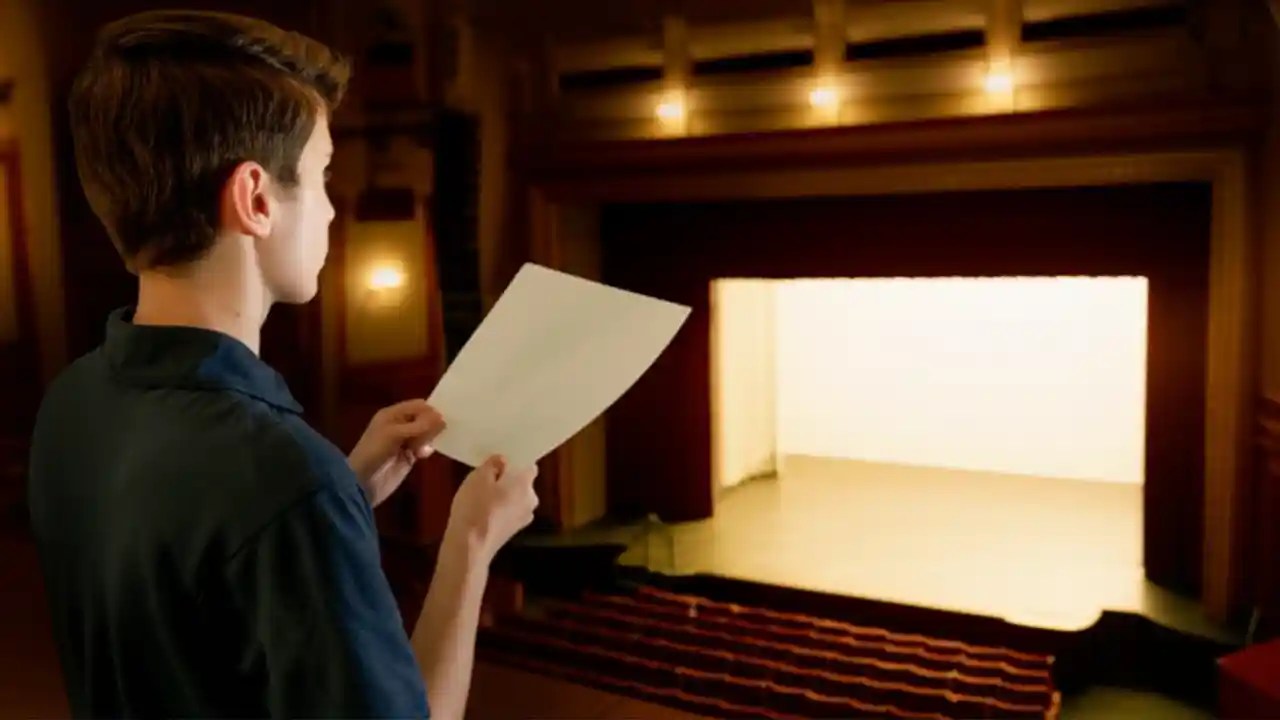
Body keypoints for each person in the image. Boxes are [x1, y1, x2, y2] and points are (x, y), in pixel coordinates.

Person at [26, 10, 538, 719]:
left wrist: (343, 492)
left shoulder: (72, 402)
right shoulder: (285, 478)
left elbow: (192, 614)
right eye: (322, 174)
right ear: (256, 199)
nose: (329, 209)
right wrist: (471, 544)